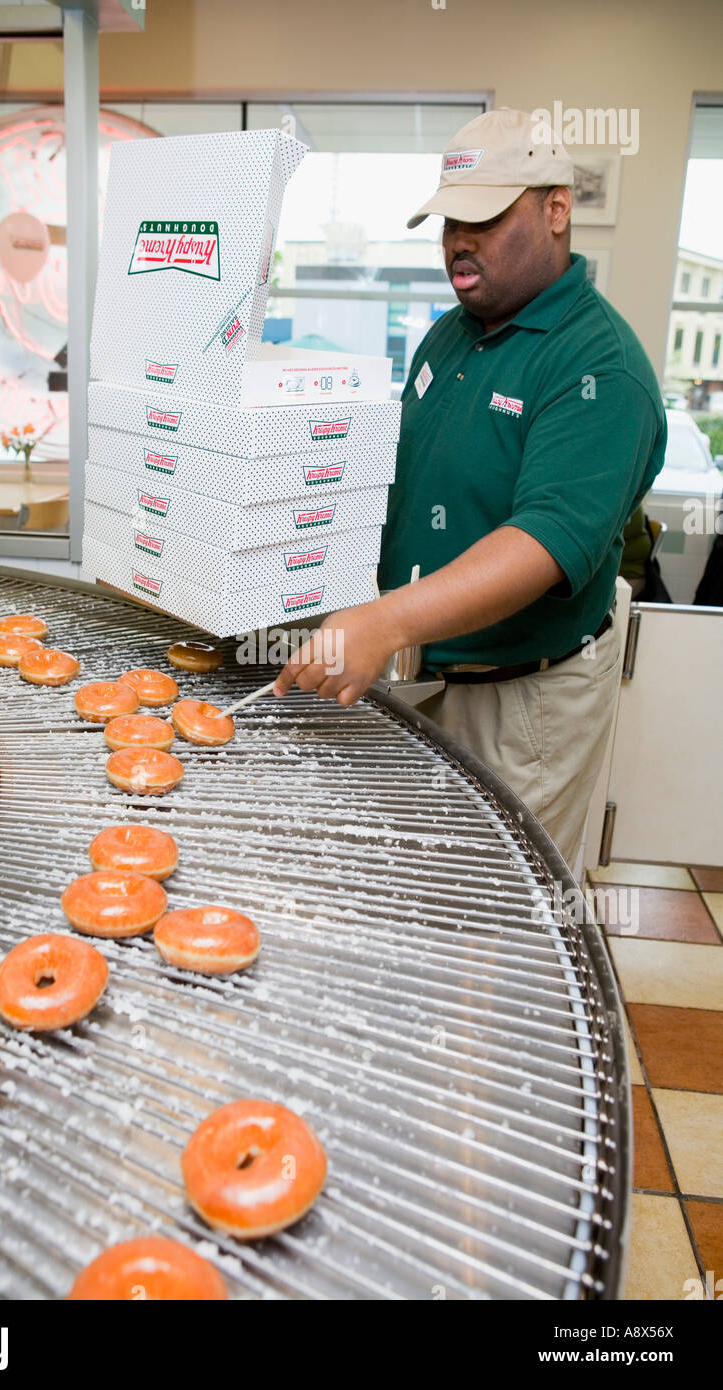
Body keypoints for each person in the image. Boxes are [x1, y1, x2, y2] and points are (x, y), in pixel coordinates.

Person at [275, 107, 667, 869]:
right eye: (451, 219)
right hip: (427, 676)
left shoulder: (600, 367)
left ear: (558, 210)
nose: (459, 239)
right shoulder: (451, 331)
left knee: (497, 921)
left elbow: (541, 543)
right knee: (421, 885)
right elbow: (408, 474)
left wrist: (384, 623)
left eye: (483, 219)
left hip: (525, 704)